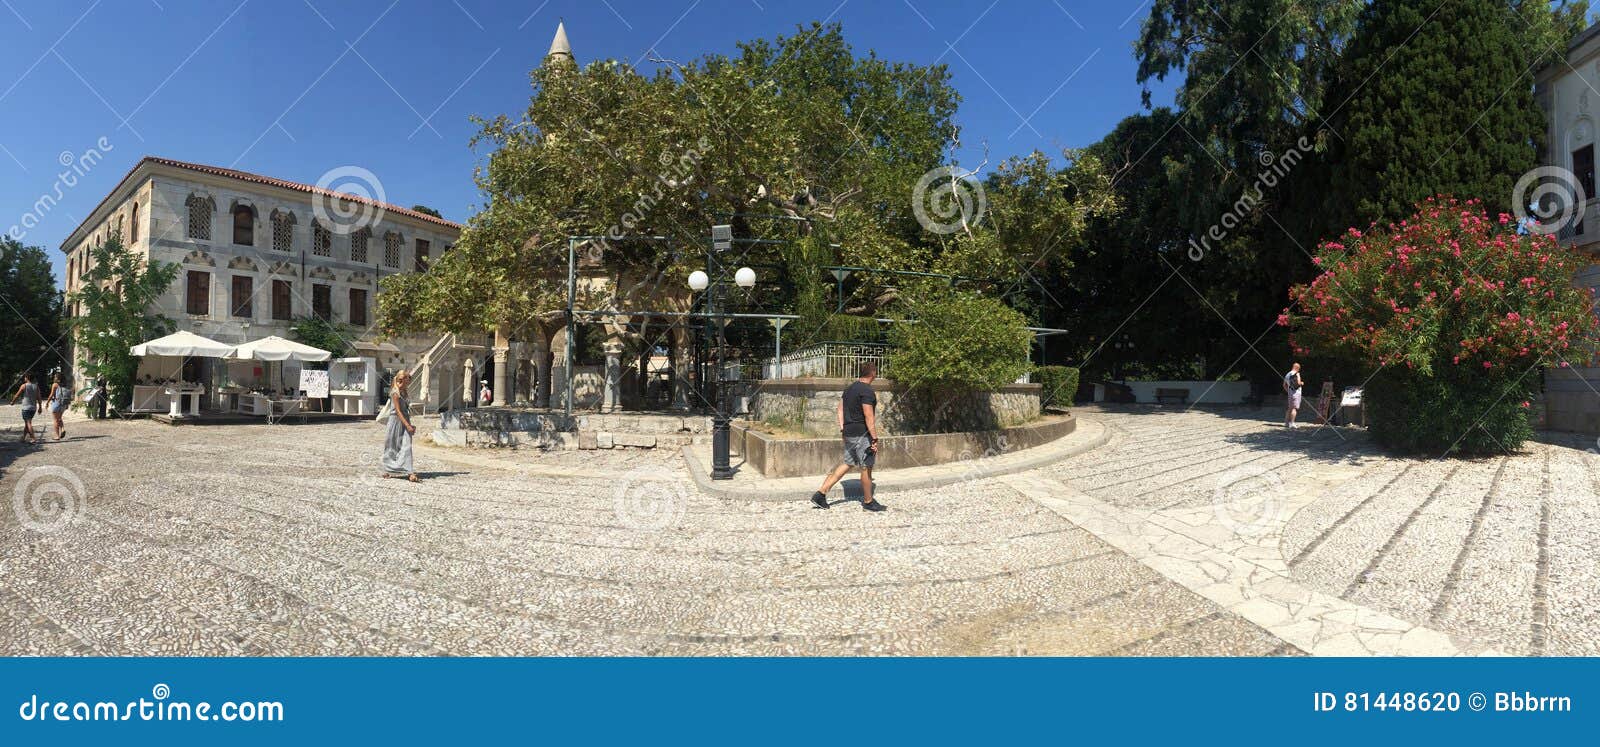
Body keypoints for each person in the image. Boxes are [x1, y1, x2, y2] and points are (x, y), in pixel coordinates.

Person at [809, 362, 887, 512]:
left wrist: (843, 429)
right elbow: (868, 416)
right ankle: (868, 501)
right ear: (873, 373)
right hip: (862, 434)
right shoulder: (867, 391)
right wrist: (874, 438)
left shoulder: (849, 389)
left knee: (847, 463)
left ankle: (821, 494)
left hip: (849, 433)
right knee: (866, 467)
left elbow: (839, 409)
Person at [380, 370, 419, 482]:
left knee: (406, 445)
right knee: (391, 445)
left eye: (404, 381)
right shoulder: (395, 393)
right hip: (395, 421)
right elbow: (398, 411)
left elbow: (405, 410)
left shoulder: (405, 393)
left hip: (405, 420)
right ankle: (387, 469)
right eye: (399, 381)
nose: (402, 383)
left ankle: (409, 471)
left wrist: (409, 424)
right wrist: (408, 425)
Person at [9, 374, 41, 444]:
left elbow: (17, 395)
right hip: (33, 408)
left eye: (25, 377)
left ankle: (33, 438)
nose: (24, 378)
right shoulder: (36, 386)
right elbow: (39, 398)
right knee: (27, 423)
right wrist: (40, 407)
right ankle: (23, 438)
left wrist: (12, 402)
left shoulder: (24, 386)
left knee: (28, 423)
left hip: (26, 408)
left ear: (27, 378)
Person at [46, 373, 69, 440]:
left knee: (55, 420)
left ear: (58, 378)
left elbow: (51, 395)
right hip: (63, 404)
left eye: (55, 377)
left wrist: (47, 403)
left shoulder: (55, 385)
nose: (54, 378)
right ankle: (62, 429)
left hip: (56, 403)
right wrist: (67, 404)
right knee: (59, 418)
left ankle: (57, 436)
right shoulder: (65, 385)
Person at [1283, 362, 1304, 428]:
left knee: (1290, 408)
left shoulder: (1287, 374)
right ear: (1297, 368)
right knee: (1294, 408)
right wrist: (1302, 383)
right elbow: (1298, 383)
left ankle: (1286, 423)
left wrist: (1288, 391)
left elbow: (1284, 385)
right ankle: (1292, 423)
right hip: (1296, 393)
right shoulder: (1297, 374)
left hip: (1290, 392)